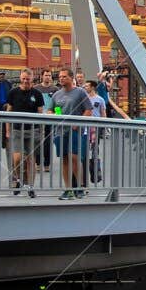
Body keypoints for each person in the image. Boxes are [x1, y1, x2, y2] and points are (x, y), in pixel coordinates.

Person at [51, 68, 93, 198]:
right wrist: (57, 115)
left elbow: (88, 110)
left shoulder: (80, 92)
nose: (61, 79)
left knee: (74, 158)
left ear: (71, 77)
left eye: (64, 76)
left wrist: (78, 122)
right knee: (64, 159)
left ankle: (79, 187)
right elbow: (53, 109)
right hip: (60, 131)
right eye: (60, 77)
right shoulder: (57, 95)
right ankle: (68, 189)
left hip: (75, 131)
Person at [5, 68, 45, 196]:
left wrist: (42, 131)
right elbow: (8, 111)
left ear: (32, 79)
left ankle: (30, 186)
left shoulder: (37, 94)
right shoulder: (13, 92)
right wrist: (7, 129)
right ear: (20, 78)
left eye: (28, 79)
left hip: (33, 130)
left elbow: (40, 113)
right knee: (17, 159)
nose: (25, 81)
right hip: (17, 129)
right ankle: (19, 179)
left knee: (30, 159)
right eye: (23, 79)